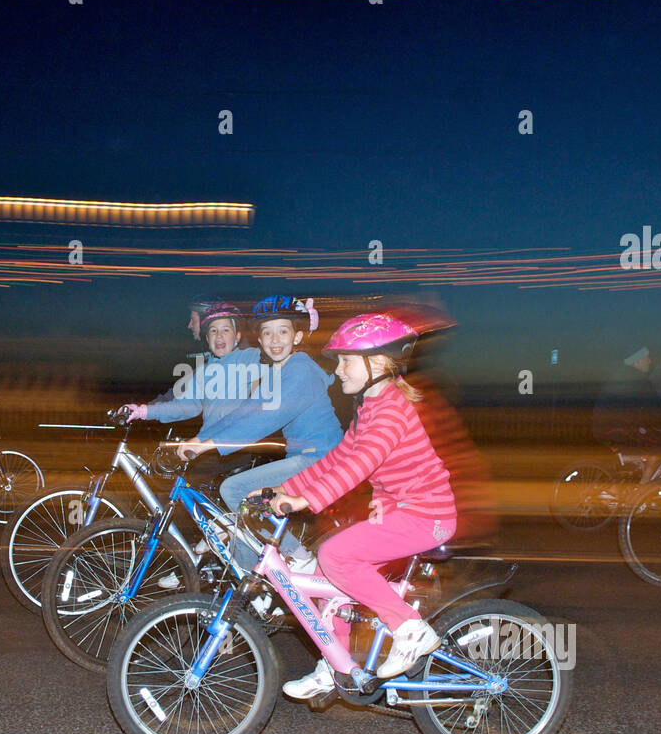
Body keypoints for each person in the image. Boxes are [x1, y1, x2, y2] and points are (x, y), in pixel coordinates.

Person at [256, 312, 456, 699]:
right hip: (404, 511)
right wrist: (281, 487)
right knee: (324, 575)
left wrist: (305, 500)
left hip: (427, 515)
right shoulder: (369, 407)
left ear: (377, 363)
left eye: (347, 361)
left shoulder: (391, 408)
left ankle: (409, 630)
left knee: (335, 555)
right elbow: (337, 459)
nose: (339, 370)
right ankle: (336, 667)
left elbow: (360, 465)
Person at [176, 295, 342, 519]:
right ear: (261, 342)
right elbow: (246, 412)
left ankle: (293, 554)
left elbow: (264, 419)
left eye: (283, 331)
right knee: (249, 509)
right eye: (267, 332)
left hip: (321, 459)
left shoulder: (302, 370)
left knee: (233, 489)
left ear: (297, 337)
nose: (274, 339)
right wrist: (201, 438)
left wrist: (209, 445)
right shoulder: (277, 372)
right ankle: (260, 547)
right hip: (300, 457)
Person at [122, 301, 261, 483]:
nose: (219, 335)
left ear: (237, 336)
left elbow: (278, 352)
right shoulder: (204, 372)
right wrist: (143, 411)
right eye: (213, 331)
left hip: (233, 448)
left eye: (226, 330)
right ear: (207, 339)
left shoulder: (249, 357)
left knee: (179, 491)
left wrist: (305, 329)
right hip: (207, 447)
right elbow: (186, 407)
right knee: (172, 482)